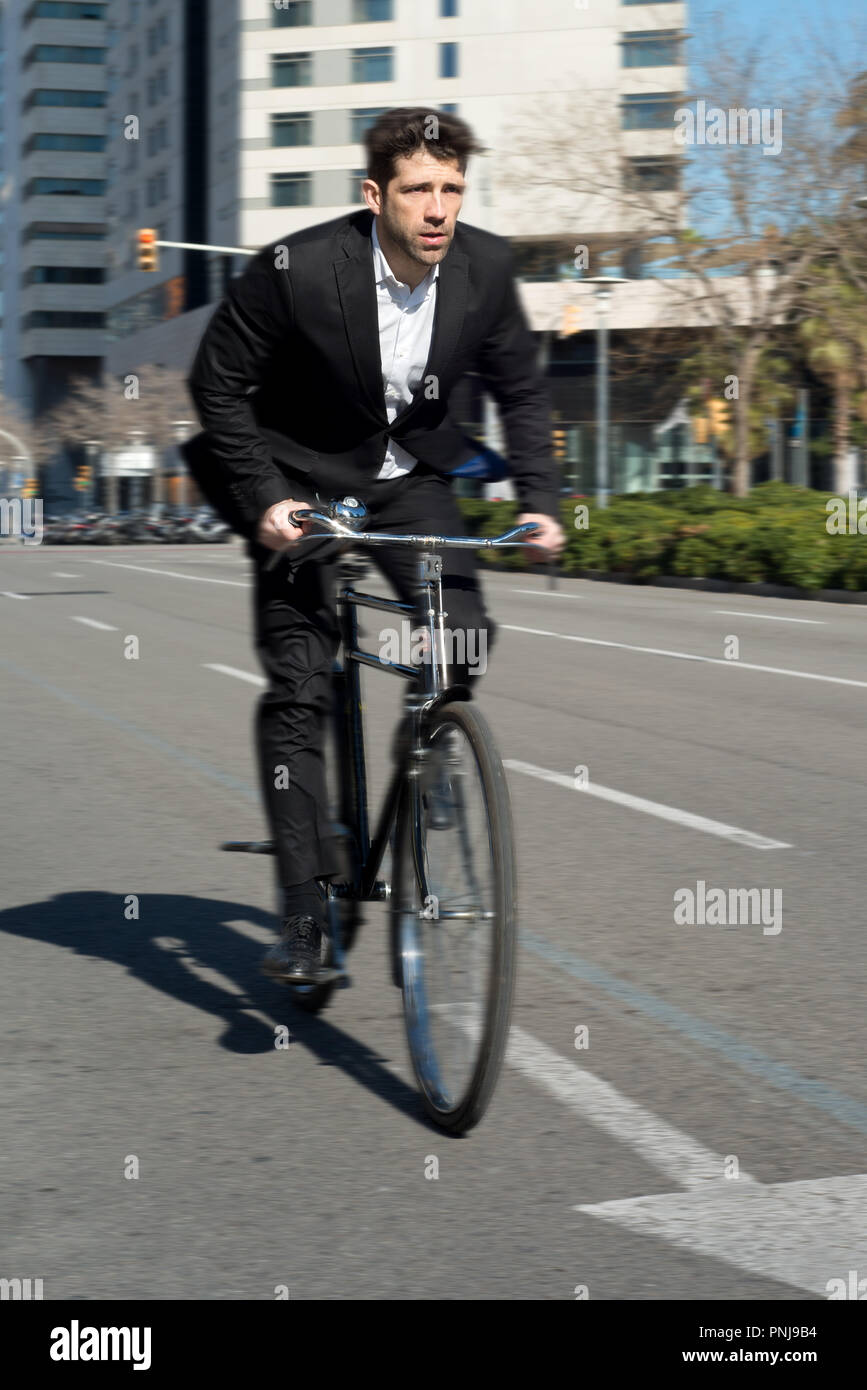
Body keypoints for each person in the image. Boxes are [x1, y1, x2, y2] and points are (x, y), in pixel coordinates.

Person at [183, 107, 564, 983]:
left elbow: (524, 393)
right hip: (300, 479)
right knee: (298, 684)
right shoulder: (300, 269)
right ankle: (306, 913)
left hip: (409, 479)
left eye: (452, 190)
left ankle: (428, 744)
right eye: (419, 189)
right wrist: (264, 499)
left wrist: (541, 504)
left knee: (463, 628)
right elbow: (218, 383)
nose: (438, 209)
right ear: (375, 195)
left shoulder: (486, 267)